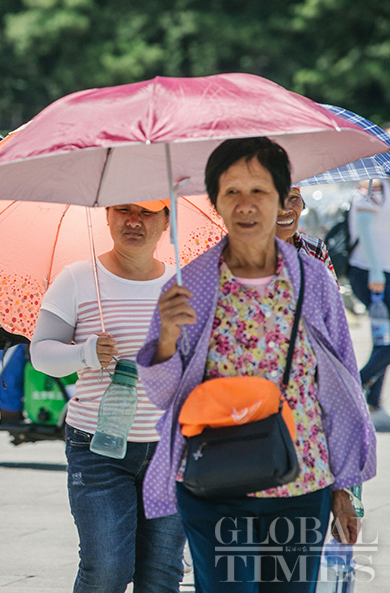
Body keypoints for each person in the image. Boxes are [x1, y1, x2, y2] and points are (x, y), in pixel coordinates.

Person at [137, 138, 376, 592]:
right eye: (232, 192)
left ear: (282, 197)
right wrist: (166, 337)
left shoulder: (315, 281)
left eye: (260, 192)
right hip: (215, 483)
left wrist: (345, 492)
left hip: (301, 483)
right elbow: (164, 396)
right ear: (216, 202)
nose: (246, 206)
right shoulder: (189, 287)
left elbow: (341, 387)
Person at [30, 201, 185, 593]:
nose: (134, 221)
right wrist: (85, 353)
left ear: (167, 220)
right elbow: (41, 353)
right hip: (97, 448)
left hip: (170, 450)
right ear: (107, 215)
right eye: (124, 209)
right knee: (107, 570)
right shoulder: (78, 279)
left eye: (148, 212)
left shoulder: (184, 286)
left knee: (162, 575)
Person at [346, 179, 390, 428]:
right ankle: (355, 387)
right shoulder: (373, 184)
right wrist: (375, 271)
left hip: (385, 273)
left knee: (383, 339)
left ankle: (372, 403)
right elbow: (363, 226)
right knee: (386, 340)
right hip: (370, 274)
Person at [275, 186, 335, 275]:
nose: (285, 210)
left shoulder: (315, 247)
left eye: (293, 197)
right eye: (274, 199)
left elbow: (332, 288)